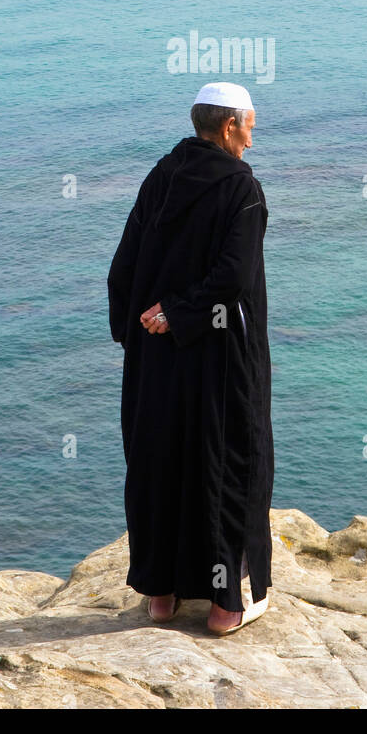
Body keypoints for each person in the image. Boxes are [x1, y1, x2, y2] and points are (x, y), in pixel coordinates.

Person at [107, 81, 274, 635]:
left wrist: (140, 330)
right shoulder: (241, 188)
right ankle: (228, 607)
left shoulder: (162, 174)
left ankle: (162, 593)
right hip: (219, 357)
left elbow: (123, 265)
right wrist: (181, 314)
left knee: (159, 463)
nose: (252, 138)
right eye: (249, 125)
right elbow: (233, 277)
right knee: (229, 464)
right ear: (230, 126)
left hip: (155, 357)